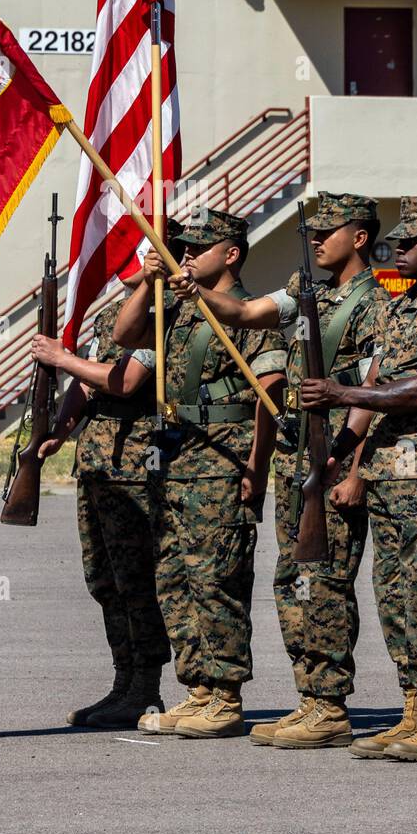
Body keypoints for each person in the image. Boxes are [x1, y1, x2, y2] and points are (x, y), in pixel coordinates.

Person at [167, 192, 387, 748]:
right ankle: (309, 698)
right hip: (298, 454)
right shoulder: (304, 291)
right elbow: (245, 313)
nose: (316, 240)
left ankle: (330, 705)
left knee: (326, 580)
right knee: (292, 580)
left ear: (358, 238)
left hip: (332, 453)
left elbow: (373, 389)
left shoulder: (372, 303)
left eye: (328, 231)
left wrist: (353, 462)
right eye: (313, 232)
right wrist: (199, 293)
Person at [300, 197, 417, 763]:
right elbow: (379, 383)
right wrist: (345, 452)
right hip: (389, 466)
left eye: (411, 240)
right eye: (398, 240)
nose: (398, 248)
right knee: (393, 594)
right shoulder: (403, 309)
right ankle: (413, 711)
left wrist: (340, 393)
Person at [113, 210, 287, 739]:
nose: (185, 254)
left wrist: (257, 470)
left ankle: (225, 695)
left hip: (223, 461)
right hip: (177, 460)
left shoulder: (245, 315)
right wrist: (147, 281)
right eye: (182, 247)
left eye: (199, 247)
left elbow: (270, 391)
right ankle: (198, 690)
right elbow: (125, 335)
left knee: (217, 580)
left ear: (230, 254)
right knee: (174, 579)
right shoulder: (178, 311)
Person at [29, 261, 182, 730]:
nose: (124, 264)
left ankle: (145, 688)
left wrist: (62, 357)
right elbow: (86, 381)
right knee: (104, 581)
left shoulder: (163, 311)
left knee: (136, 583)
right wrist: (59, 428)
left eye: (135, 252)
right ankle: (123, 682)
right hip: (96, 463)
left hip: (134, 468)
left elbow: (126, 381)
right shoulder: (110, 313)